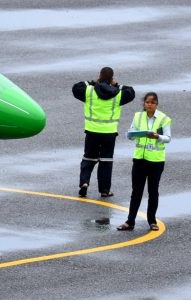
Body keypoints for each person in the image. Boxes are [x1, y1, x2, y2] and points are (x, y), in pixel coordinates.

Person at [73, 66, 136, 199]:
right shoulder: (118, 94)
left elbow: (76, 87)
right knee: (106, 162)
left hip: (92, 131)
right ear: (112, 78)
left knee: (88, 158)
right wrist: (117, 85)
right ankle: (104, 190)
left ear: (99, 76)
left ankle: (84, 183)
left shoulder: (89, 91)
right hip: (109, 133)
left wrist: (92, 82)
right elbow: (130, 92)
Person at [118, 91, 172, 231]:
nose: (150, 105)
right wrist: (131, 135)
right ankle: (130, 221)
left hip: (156, 161)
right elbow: (130, 133)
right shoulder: (138, 116)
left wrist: (157, 137)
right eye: (147, 102)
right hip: (139, 159)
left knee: (153, 191)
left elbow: (168, 138)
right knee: (136, 192)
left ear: (156, 104)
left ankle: (152, 221)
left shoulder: (163, 118)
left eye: (153, 102)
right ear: (144, 103)